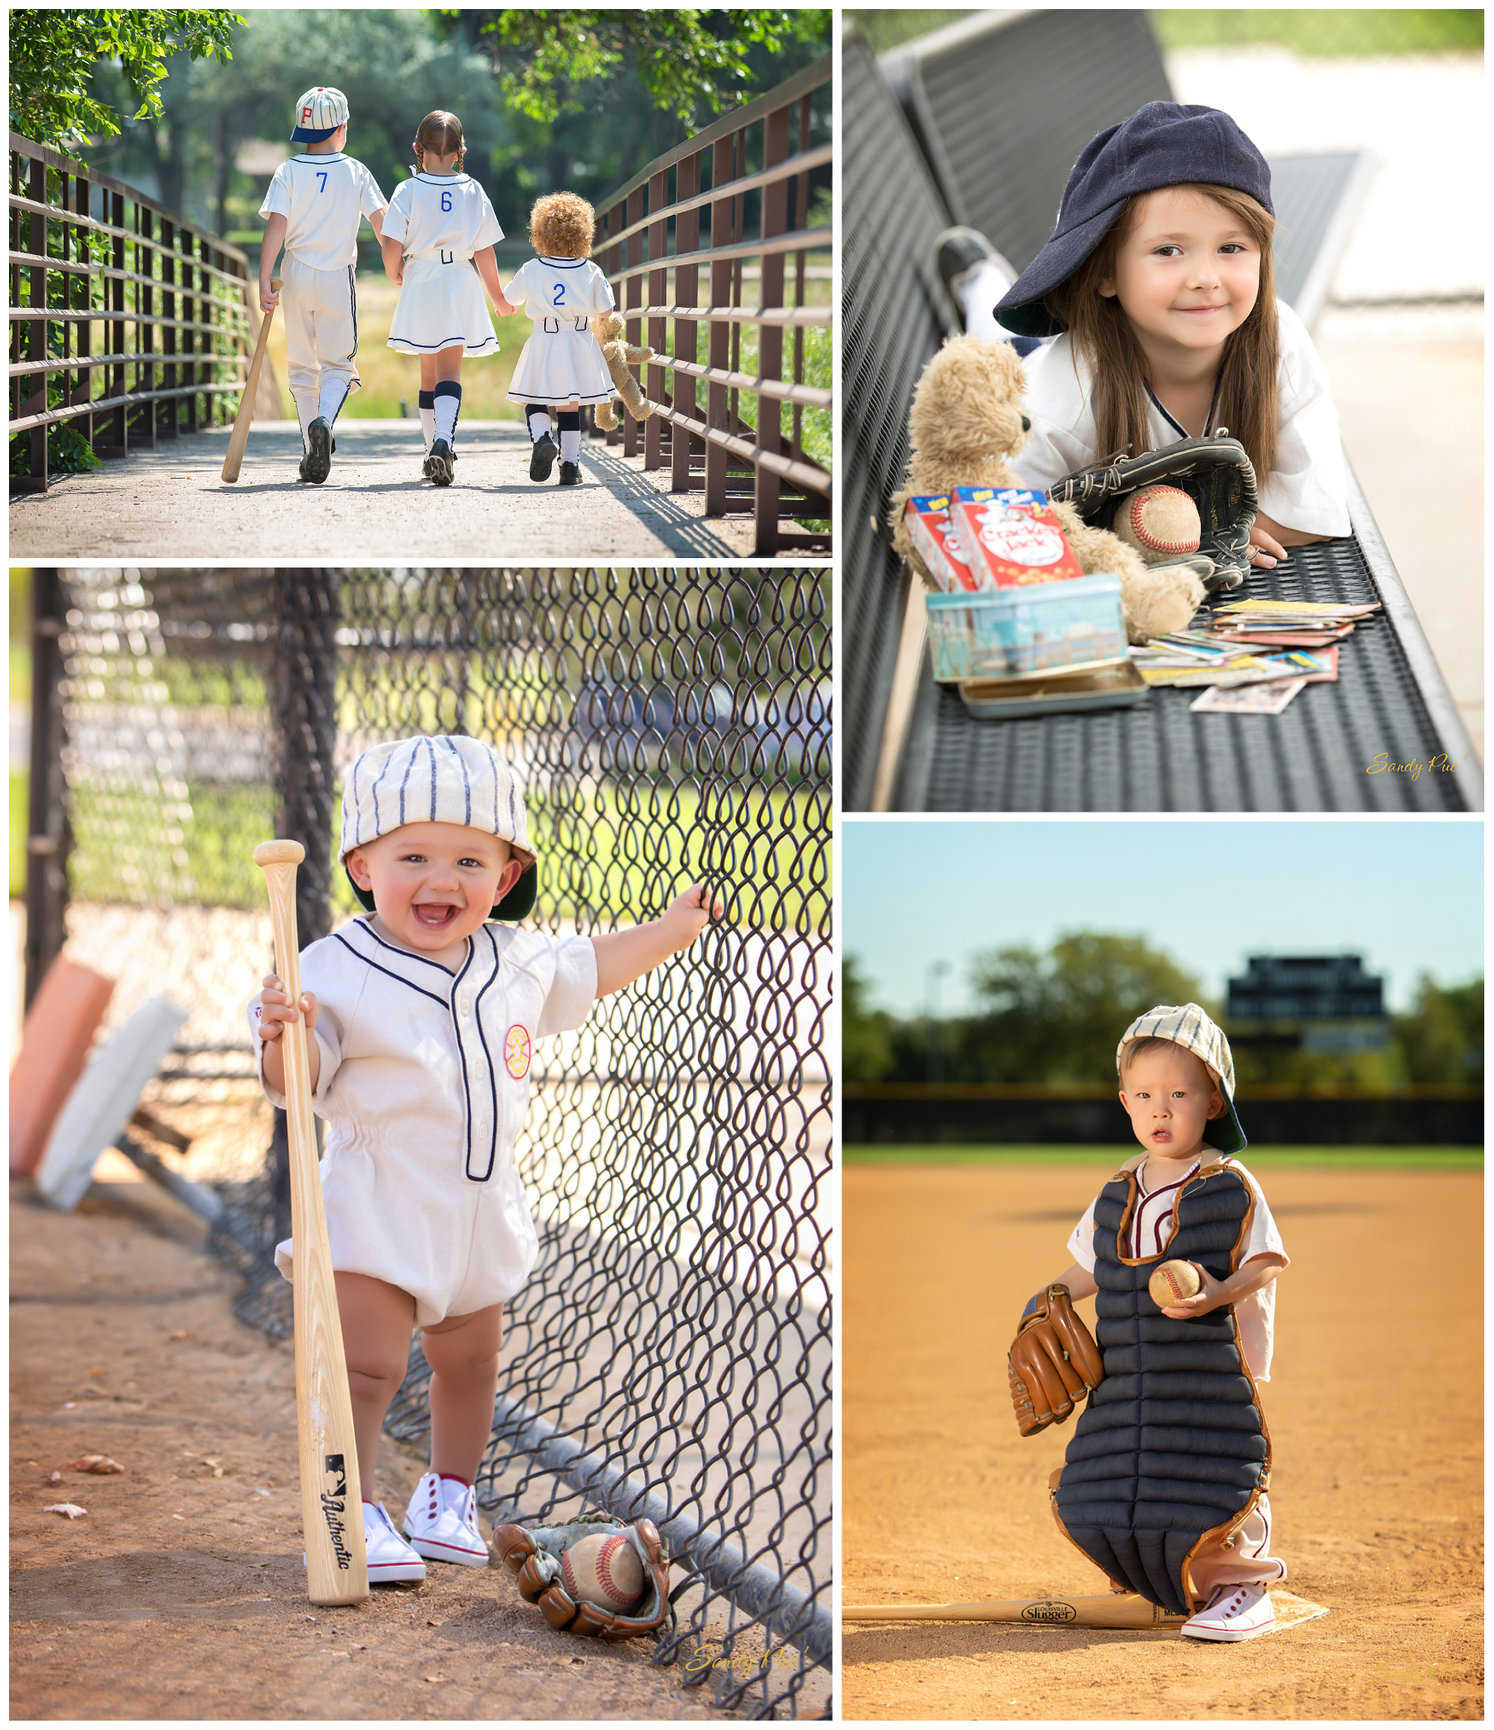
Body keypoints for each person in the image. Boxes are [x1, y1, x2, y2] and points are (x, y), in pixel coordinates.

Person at [250, 733, 722, 1583]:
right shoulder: (331, 966)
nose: (443, 880)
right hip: (378, 1203)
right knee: (367, 1367)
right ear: (363, 866)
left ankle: (449, 1495)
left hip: (479, 1210)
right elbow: (297, 1083)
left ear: (505, 878)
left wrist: (671, 929)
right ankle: (350, 1511)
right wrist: (283, 1033)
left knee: (469, 1367)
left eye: (471, 860)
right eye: (414, 856)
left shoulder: (516, 958)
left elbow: (596, 964)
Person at [938, 102, 1351, 571]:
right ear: (1105, 271)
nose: (1205, 277)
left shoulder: (1278, 340)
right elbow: (1004, 533)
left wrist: (1217, 529)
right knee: (996, 352)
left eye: (1231, 247)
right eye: (1169, 250)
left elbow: (1318, 507)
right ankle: (981, 281)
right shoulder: (1056, 401)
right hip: (1025, 369)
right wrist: (1212, 533)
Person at [1025, 1003, 1289, 1642]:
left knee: (1218, 1454)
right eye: (1145, 1095)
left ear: (1214, 1101)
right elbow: (1092, 1267)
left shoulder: (1228, 1184)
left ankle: (1244, 1587)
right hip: (1131, 1363)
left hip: (1210, 1359)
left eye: (1179, 1093)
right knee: (1121, 1462)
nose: (1161, 1110)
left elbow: (1269, 1260)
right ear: (1125, 1102)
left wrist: (1220, 1289)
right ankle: (1149, 1573)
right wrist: (1043, 1298)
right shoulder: (1119, 1189)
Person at [258, 87, 387, 485]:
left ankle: (309, 450)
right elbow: (382, 222)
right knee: (338, 365)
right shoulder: (356, 171)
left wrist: (264, 276)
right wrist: (398, 264)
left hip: (295, 275)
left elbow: (276, 224)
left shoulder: (288, 170)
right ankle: (324, 423)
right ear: (342, 128)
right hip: (336, 276)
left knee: (302, 367)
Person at [380, 112, 514, 487]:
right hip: (458, 279)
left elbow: (391, 243)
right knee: (450, 374)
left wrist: (394, 271)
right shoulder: (473, 190)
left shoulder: (407, 190)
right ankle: (443, 441)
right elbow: (484, 249)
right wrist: (498, 297)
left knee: (428, 374)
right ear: (461, 152)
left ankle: (431, 449)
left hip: (421, 278)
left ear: (417, 150)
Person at [504, 193, 617, 487]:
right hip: (579, 339)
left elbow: (509, 298)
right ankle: (570, 466)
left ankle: (542, 438)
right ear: (584, 234)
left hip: (545, 337)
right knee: (571, 405)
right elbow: (606, 310)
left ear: (539, 233)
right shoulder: (591, 271)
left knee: (533, 397)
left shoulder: (532, 269)